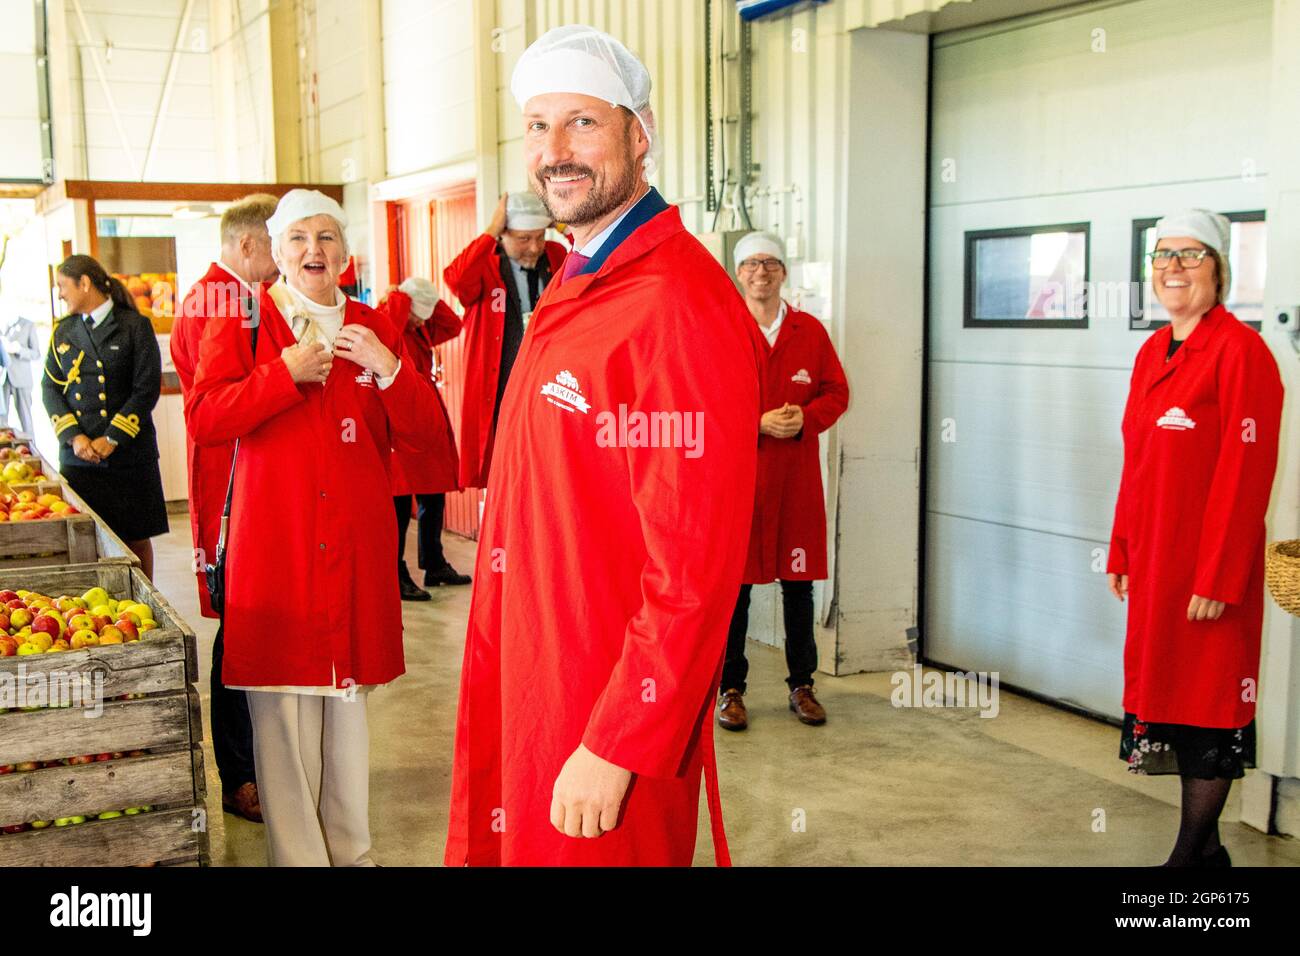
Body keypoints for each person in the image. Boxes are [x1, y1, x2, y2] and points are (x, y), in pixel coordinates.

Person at [445, 25, 763, 868]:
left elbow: (693, 565)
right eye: (538, 126)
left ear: (639, 134)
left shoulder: (674, 305)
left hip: (601, 712)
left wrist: (618, 742)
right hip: (539, 675)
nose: (556, 151)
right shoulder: (582, 277)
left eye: (582, 122)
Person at [186, 190, 445, 866]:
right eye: (298, 238)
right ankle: (299, 860)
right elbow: (207, 418)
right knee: (281, 720)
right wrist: (283, 374)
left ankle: (352, 854)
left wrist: (390, 371)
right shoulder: (246, 322)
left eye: (326, 237)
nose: (313, 251)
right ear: (276, 251)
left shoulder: (370, 326)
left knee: (347, 712)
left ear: (345, 252)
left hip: (352, 550)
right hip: (278, 550)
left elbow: (429, 440)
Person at [1108, 209, 1284, 867]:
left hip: (1208, 574)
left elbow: (1247, 473)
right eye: (1162, 256)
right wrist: (1122, 546)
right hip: (1156, 563)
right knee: (1173, 705)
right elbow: (1137, 460)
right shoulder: (1153, 351)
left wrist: (1219, 574)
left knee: (1210, 706)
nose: (1173, 268)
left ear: (1219, 269)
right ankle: (1208, 855)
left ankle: (1187, 859)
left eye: (1190, 255)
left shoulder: (1242, 352)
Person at [172, 193, 281, 824]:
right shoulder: (220, 302)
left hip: (249, 487)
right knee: (237, 637)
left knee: (251, 630)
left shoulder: (238, 297)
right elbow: (215, 412)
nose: (293, 255)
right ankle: (239, 776)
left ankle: (255, 767)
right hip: (229, 492)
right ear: (248, 245)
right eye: (282, 242)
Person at [717, 232, 849, 732]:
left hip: (794, 481)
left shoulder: (808, 332)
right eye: (750, 264)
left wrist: (808, 419)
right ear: (738, 273)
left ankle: (802, 685)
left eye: (770, 263)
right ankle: (731, 690)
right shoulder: (724, 329)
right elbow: (703, 401)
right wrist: (754, 422)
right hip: (742, 481)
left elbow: (837, 391)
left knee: (799, 585)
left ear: (784, 273)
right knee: (737, 589)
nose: (761, 272)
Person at [43, 255, 167, 576]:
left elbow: (146, 388)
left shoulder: (134, 326)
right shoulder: (63, 332)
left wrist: (113, 437)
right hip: (80, 458)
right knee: (86, 541)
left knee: (136, 539)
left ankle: (144, 602)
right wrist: (75, 437)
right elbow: (50, 389)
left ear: (84, 283)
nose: (59, 294)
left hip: (128, 454)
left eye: (62, 285)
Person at [444, 190, 567, 489]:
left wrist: (560, 224)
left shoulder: (555, 256)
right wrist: (489, 231)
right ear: (503, 235)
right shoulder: (485, 265)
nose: (534, 247)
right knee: (503, 475)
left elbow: (592, 260)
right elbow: (456, 279)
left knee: (550, 472)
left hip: (548, 387)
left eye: (539, 236)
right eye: (524, 239)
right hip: (500, 390)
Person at [378, 277, 469, 600]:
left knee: (433, 491)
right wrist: (399, 300)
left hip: (425, 413)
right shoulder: (388, 325)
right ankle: (394, 572)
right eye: (417, 313)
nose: (421, 320)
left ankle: (434, 563)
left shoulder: (420, 330)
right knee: (399, 502)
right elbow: (391, 324)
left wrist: (424, 303)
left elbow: (454, 325)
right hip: (396, 417)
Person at [1, 312, 41, 436]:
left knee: (26, 419)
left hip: (21, 379)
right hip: (3, 379)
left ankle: (31, 449)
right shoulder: (3, 324)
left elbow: (36, 354)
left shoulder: (28, 325)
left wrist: (19, 350)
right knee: (2, 420)